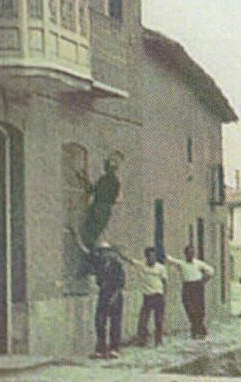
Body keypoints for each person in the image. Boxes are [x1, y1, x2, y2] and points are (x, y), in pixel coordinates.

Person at [70, 228, 125, 359]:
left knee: (115, 323)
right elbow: (85, 252)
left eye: (105, 252)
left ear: (110, 253)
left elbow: (120, 284)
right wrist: (76, 237)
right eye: (101, 252)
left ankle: (114, 348)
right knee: (100, 322)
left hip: (115, 294)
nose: (103, 254)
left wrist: (114, 297)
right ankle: (100, 348)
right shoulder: (99, 263)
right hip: (103, 294)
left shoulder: (116, 265)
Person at [166, 246, 214, 338]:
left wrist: (204, 281)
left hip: (197, 286)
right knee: (189, 308)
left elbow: (211, 271)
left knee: (199, 309)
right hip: (187, 287)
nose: (191, 255)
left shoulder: (198, 263)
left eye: (192, 253)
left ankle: (198, 331)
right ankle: (198, 329)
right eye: (189, 253)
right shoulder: (181, 263)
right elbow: (170, 260)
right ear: (185, 254)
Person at [77, 152, 122, 250]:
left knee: (91, 228)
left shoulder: (105, 180)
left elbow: (91, 190)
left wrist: (83, 178)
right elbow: (114, 198)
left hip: (99, 207)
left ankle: (88, 245)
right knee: (96, 231)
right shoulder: (116, 182)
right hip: (106, 209)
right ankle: (90, 246)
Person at [128, 247, 168, 347]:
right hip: (147, 296)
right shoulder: (142, 265)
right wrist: (117, 251)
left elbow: (165, 282)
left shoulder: (161, 268)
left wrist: (164, 296)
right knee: (143, 320)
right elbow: (129, 260)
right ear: (146, 257)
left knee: (159, 320)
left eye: (154, 256)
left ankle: (158, 341)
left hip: (158, 295)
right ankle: (143, 340)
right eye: (150, 256)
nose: (152, 258)